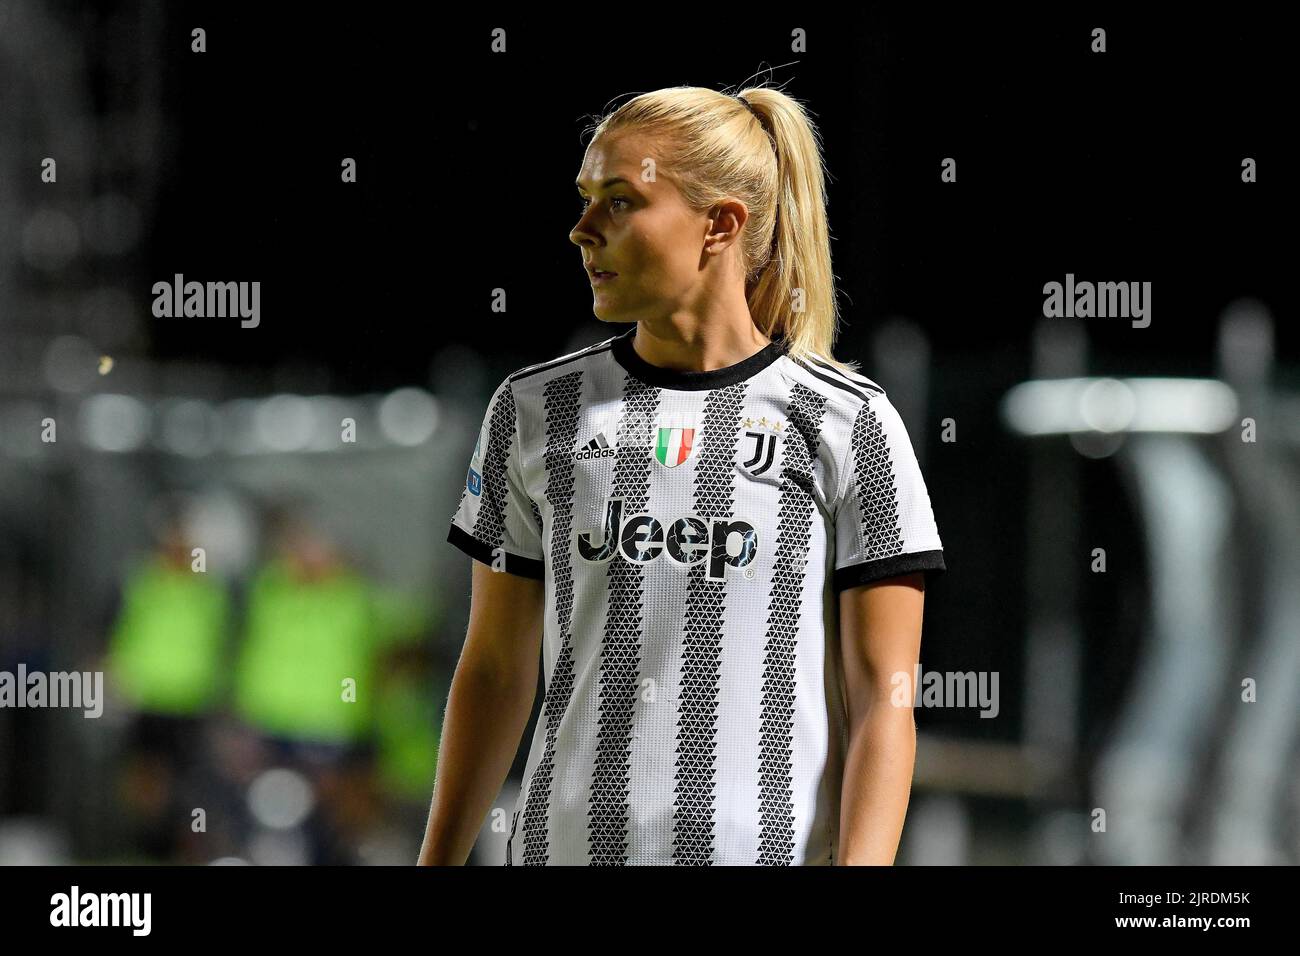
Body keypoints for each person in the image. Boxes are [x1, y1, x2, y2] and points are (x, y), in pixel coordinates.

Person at [420, 83, 946, 866]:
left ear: (720, 225)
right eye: (585, 199)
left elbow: (884, 702)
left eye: (621, 201)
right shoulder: (533, 411)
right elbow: (494, 669)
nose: (581, 230)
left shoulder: (846, 421)